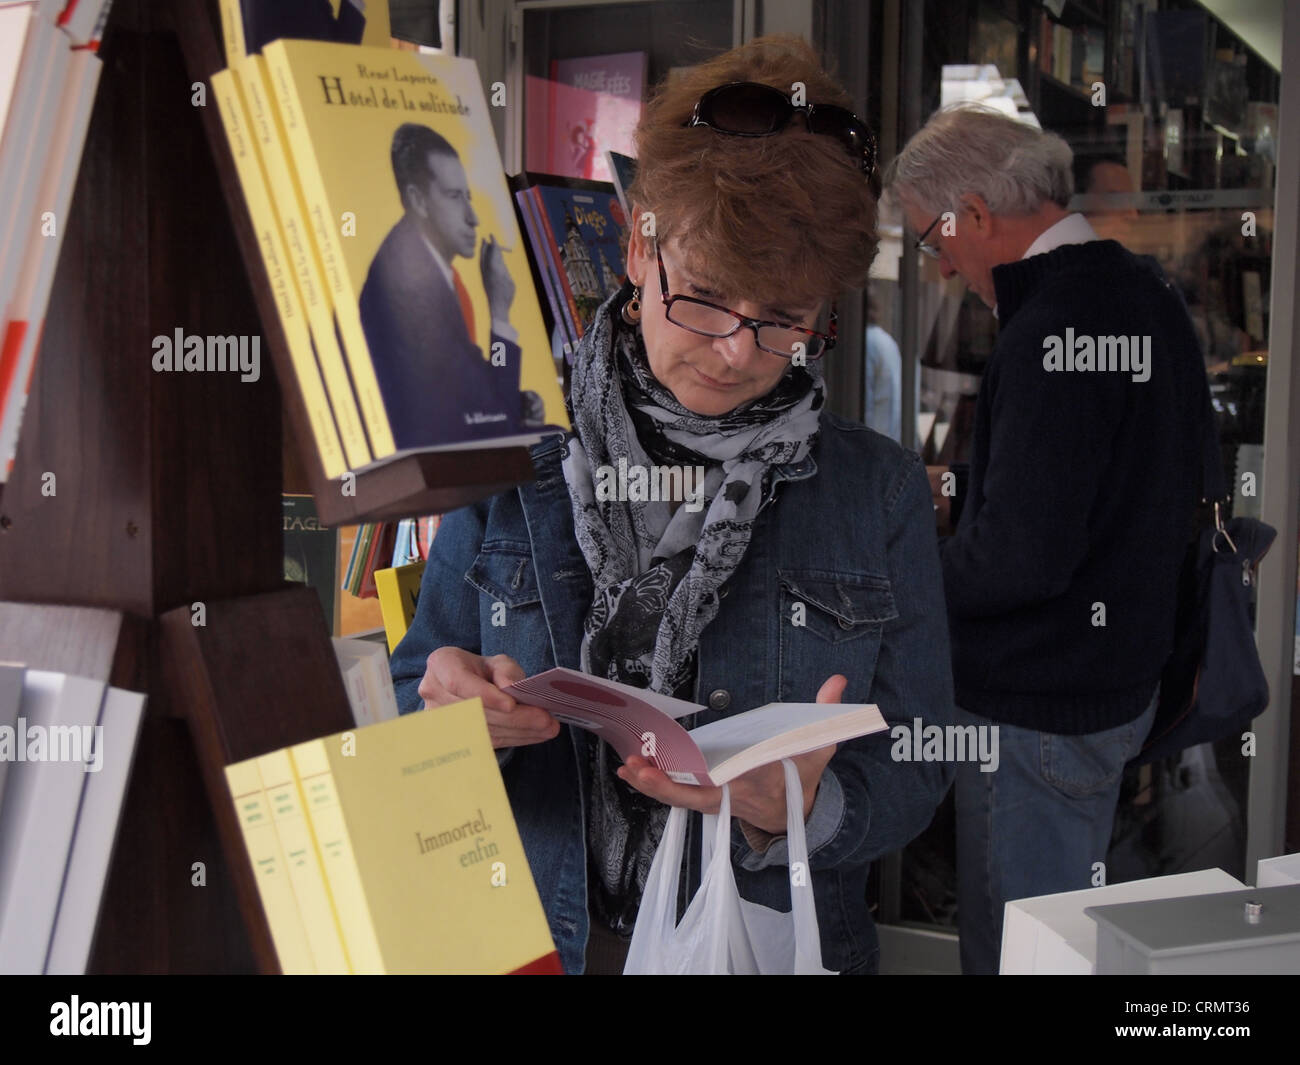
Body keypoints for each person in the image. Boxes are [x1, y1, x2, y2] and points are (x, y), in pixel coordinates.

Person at [390, 35, 955, 975]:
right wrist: (450, 725)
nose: (737, 351)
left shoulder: (876, 493)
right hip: (538, 945)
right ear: (635, 240)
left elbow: (923, 762)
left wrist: (803, 813)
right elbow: (412, 703)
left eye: (782, 319)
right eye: (705, 298)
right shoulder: (517, 458)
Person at [886, 104, 1209, 974]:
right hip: (1114, 689)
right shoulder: (1145, 292)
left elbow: (1021, 560)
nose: (942, 265)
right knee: (1062, 942)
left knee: (1021, 957)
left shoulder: (1051, 324)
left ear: (978, 214)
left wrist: (898, 576)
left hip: (1038, 707)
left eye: (934, 240)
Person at [360, 124, 538, 448]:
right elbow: (484, 409)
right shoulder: (408, 283)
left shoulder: (428, 267)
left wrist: (513, 397)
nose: (473, 218)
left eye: (469, 197)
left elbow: (468, 377)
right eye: (455, 197)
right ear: (418, 200)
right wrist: (499, 310)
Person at [863, 296, 902, 441]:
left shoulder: (867, 342)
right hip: (890, 437)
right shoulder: (887, 340)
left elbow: (864, 401)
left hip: (873, 439)